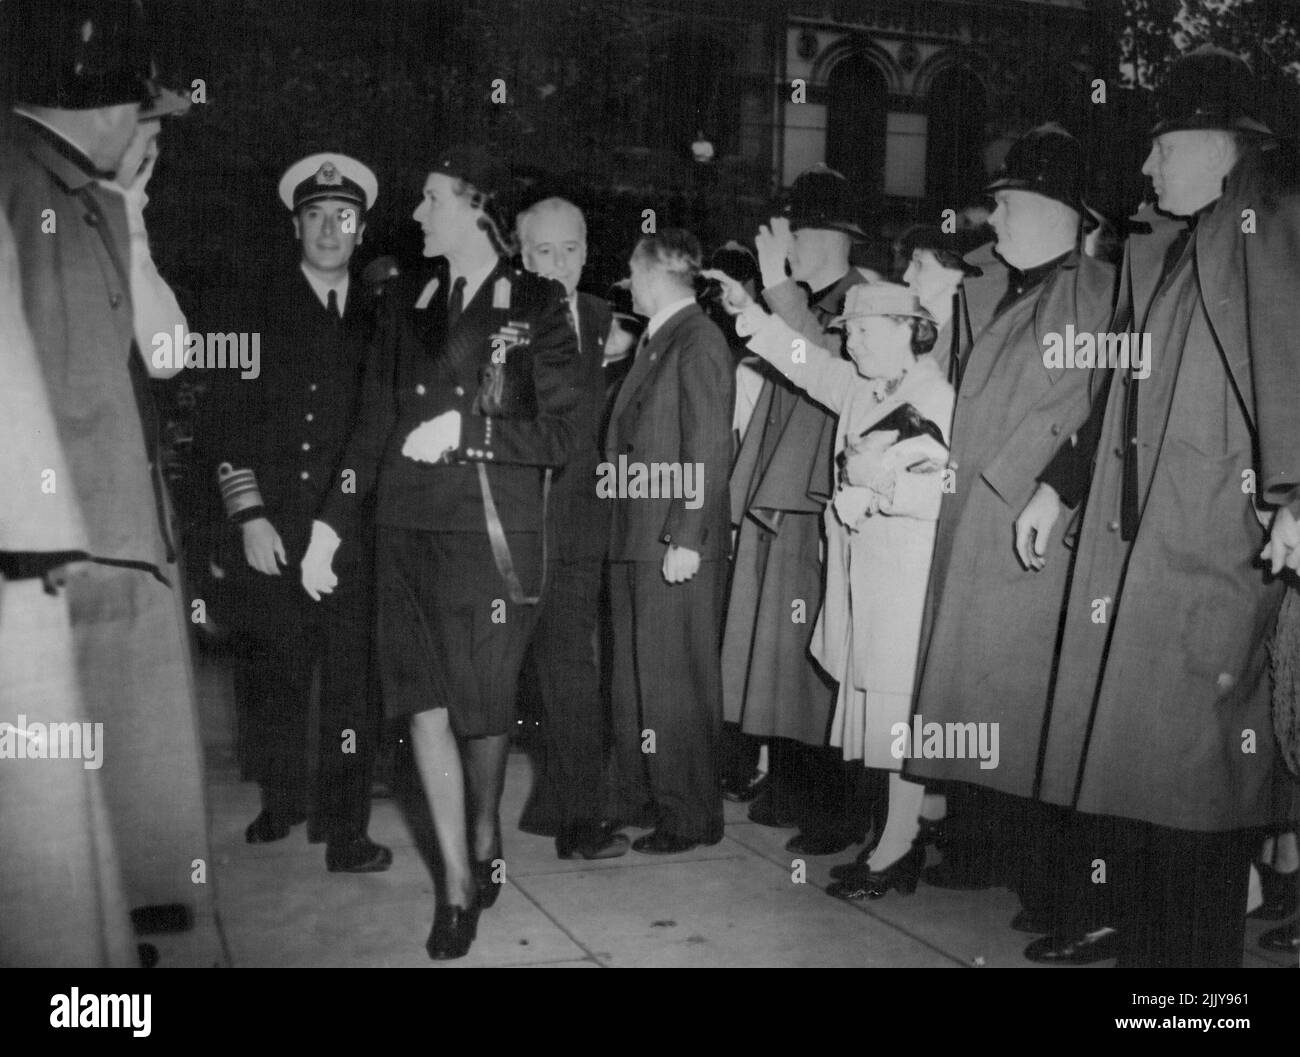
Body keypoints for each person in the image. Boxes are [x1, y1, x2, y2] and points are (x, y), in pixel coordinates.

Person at [1012, 47, 1300, 967]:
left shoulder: (1262, 220)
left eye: (1161, 148)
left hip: (1214, 548)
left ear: (1221, 145)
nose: (1145, 169)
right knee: (1149, 792)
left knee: (1197, 794)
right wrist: (1061, 484)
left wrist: (1297, 497)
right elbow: (1117, 394)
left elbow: (1293, 356)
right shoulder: (1177, 245)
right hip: (1147, 552)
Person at [304, 146, 583, 959]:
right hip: (404, 531)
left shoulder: (534, 301)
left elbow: (565, 433)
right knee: (421, 700)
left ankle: (486, 818)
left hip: (484, 536)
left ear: (475, 205)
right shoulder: (405, 298)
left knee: (484, 707)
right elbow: (371, 423)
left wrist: (471, 433)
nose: (416, 213)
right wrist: (328, 524)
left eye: (431, 199)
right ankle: (456, 885)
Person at [0, 0, 217, 946]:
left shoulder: (87, 193)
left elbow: (168, 350)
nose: (153, 133)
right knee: (52, 820)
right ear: (104, 108)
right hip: (57, 547)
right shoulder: (18, 180)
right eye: (148, 114)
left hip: (112, 531)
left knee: (116, 812)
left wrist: (130, 216)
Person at [903, 124, 1117, 951]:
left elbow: (1090, 408)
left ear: (1056, 206)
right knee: (1001, 711)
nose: (994, 218)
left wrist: (1048, 485)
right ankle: (1030, 872)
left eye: (1007, 202)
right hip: (988, 527)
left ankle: (1077, 899)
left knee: (1041, 721)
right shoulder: (1023, 287)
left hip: (1029, 539)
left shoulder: (1089, 287)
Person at [711, 274, 955, 897]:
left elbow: (945, 496)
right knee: (875, 714)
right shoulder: (863, 383)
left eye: (868, 331)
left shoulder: (935, 394)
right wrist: (749, 311)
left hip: (903, 580)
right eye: (851, 332)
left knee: (895, 715)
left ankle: (897, 846)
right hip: (859, 575)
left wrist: (881, 485)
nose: (855, 344)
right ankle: (892, 836)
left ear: (911, 331)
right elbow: (802, 361)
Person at [211, 153, 391, 872]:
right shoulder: (251, 307)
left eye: (341, 217)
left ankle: (346, 829)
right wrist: (248, 515)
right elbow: (226, 418)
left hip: (351, 530)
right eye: (314, 215)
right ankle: (283, 796)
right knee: (276, 672)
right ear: (295, 224)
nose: (328, 229)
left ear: (361, 227)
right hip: (276, 526)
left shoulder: (385, 313)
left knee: (352, 685)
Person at [723, 165, 878, 857]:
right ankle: (792, 783)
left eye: (797, 230)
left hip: (825, 500)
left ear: (833, 235)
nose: (786, 244)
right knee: (784, 657)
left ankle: (837, 806)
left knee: (822, 660)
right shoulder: (810, 298)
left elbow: (822, 361)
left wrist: (778, 289)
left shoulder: (864, 299)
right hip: (789, 495)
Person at [604, 229, 734, 854]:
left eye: (632, 267)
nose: (627, 280)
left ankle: (691, 815)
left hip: (673, 542)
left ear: (658, 272)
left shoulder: (699, 339)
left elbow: (708, 445)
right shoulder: (658, 340)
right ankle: (640, 795)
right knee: (636, 681)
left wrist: (688, 534)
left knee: (674, 683)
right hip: (638, 537)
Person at [514, 196, 627, 860]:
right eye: (544, 253)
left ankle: (581, 817)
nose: (559, 266)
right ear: (522, 257)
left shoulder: (609, 320)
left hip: (583, 525)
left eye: (571, 250)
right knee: (496, 676)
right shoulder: (499, 324)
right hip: (513, 529)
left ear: (588, 250)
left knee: (571, 668)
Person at [896, 224, 983, 387]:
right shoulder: (918, 329)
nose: (906, 276)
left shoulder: (973, 342)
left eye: (920, 264)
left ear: (957, 270)